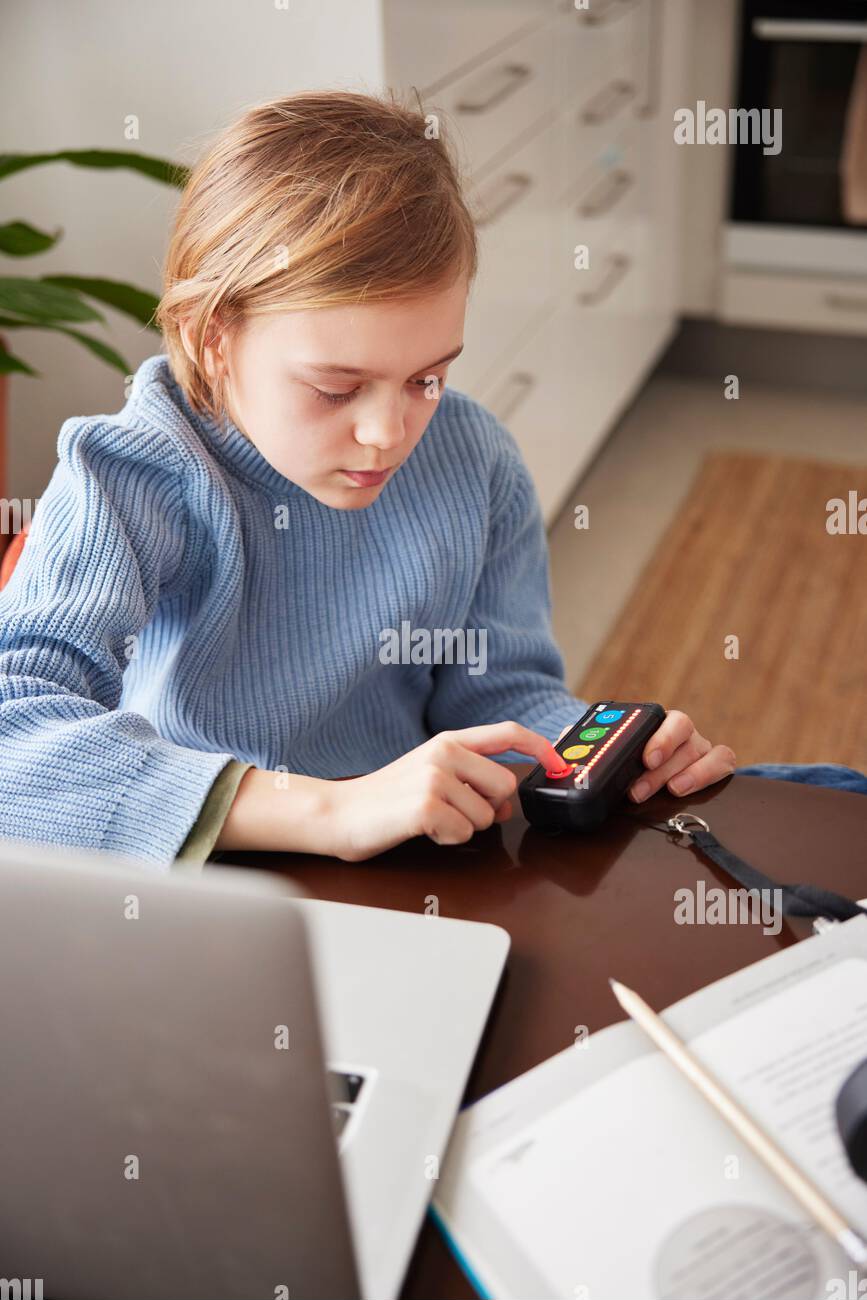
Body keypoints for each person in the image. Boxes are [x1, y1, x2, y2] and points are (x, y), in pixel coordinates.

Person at [0, 92, 861, 872]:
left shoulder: (472, 455)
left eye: (426, 378)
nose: (388, 435)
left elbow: (497, 693)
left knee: (823, 805)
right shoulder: (130, 474)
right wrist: (330, 809)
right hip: (226, 866)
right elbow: (14, 735)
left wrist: (604, 755)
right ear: (211, 338)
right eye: (335, 388)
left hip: (419, 852)